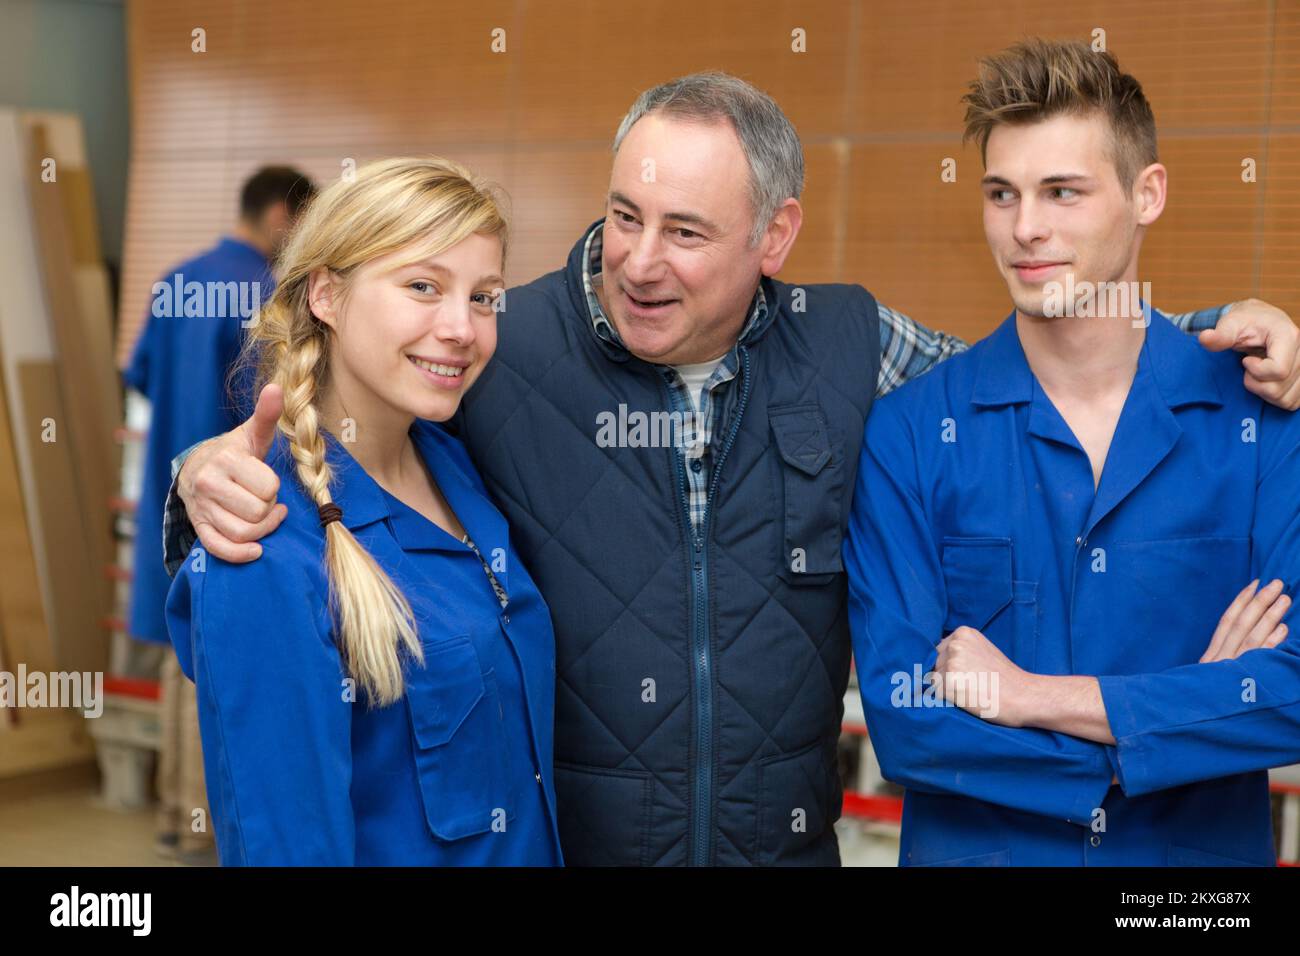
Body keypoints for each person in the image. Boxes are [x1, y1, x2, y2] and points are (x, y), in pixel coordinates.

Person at [160, 73, 1300, 866]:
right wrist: (193, 485)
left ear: (775, 236)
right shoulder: (504, 357)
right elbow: (340, 458)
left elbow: (1043, 362)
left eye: (689, 232)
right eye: (621, 218)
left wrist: (1212, 330)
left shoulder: (854, 349)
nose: (639, 263)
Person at [844, 39, 1300, 866]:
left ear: (1146, 193)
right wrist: (1184, 720)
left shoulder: (1263, 416)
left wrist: (1028, 697)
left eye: (1063, 192)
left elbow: (1295, 695)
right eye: (1001, 193)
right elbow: (908, 723)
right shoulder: (910, 433)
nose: (1026, 228)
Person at [164, 157, 563, 865]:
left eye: (483, 297)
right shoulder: (264, 550)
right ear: (326, 294)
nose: (462, 328)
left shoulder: (463, 470)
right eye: (422, 286)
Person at [124, 165, 315, 858]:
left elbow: (140, 376)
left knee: (181, 653)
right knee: (216, 655)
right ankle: (206, 820)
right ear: (279, 219)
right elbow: (280, 406)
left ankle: (178, 813)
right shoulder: (267, 295)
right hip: (239, 503)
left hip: (169, 499)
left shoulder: (175, 279)